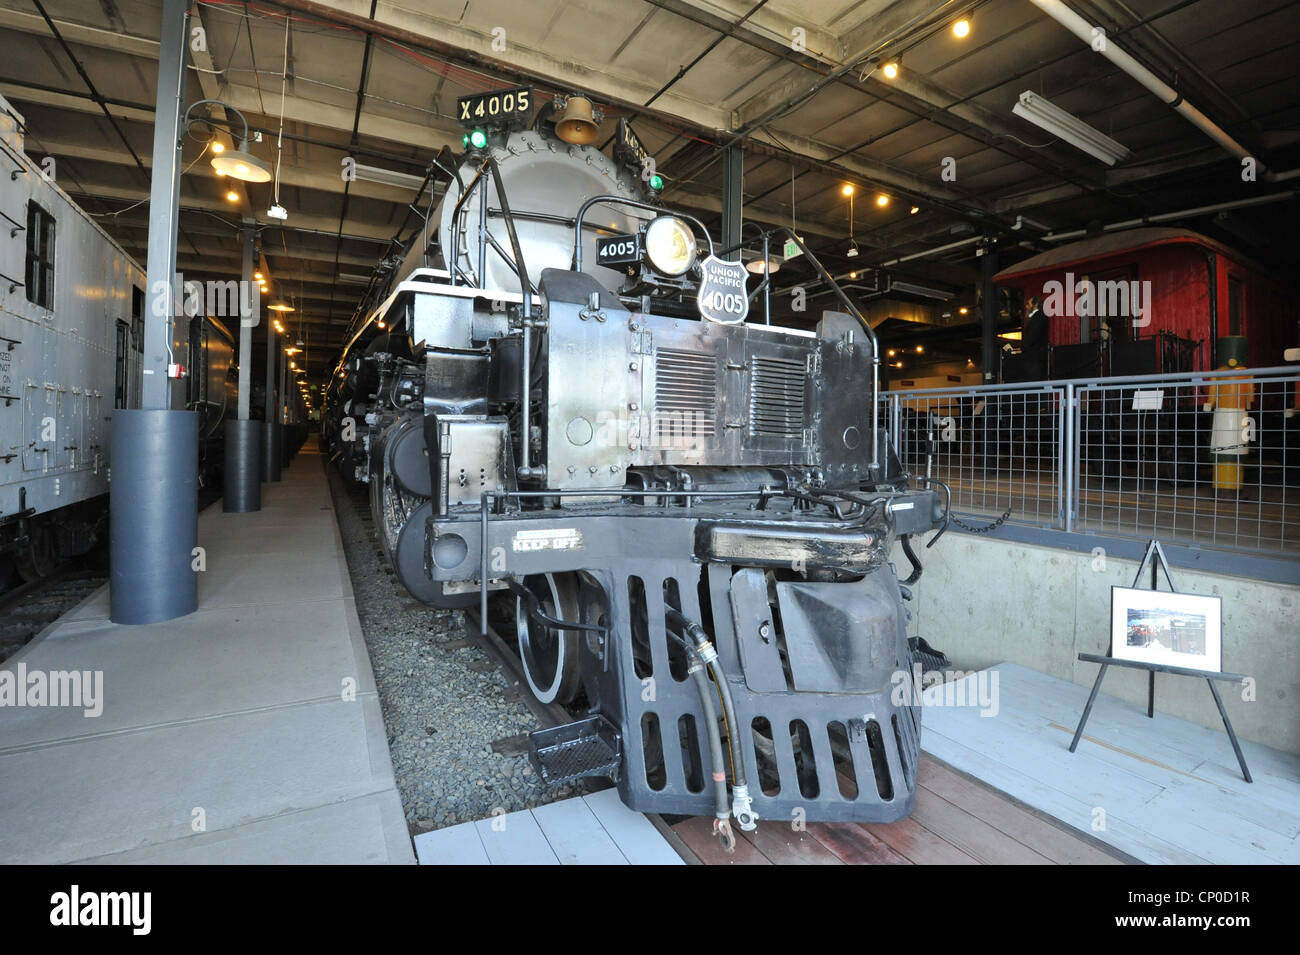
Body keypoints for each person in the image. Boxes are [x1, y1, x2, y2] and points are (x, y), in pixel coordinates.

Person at [1021, 295, 1050, 380]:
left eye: (1028, 304)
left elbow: (1032, 336)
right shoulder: (1038, 317)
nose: (1026, 306)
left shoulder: (1039, 317)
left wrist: (1023, 347)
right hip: (1036, 358)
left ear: (1035, 304)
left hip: (1035, 359)